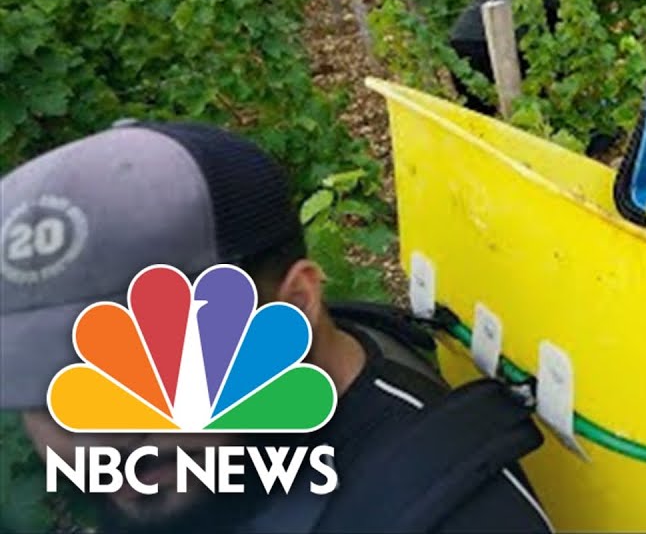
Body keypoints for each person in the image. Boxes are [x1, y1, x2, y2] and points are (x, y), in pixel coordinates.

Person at [0, 120, 553, 533]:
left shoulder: (456, 516)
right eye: (50, 394)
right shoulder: (189, 470)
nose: (103, 441)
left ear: (294, 307)